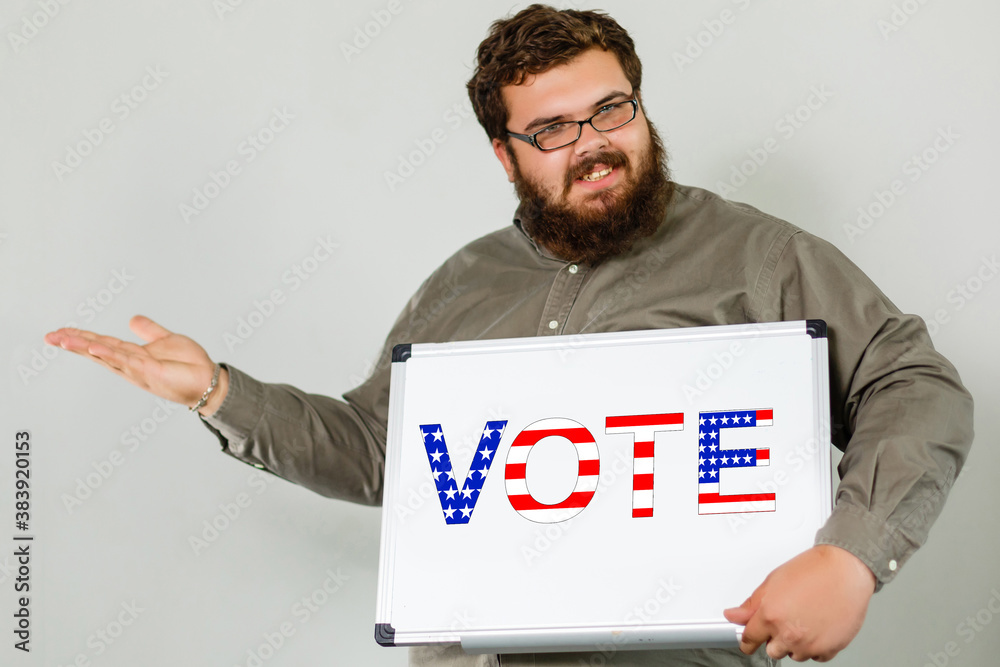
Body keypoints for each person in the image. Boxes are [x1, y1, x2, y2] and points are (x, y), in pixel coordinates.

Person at [44, 5, 973, 666]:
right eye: (555, 128)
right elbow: (382, 453)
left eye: (614, 109)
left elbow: (914, 383)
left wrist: (851, 554)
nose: (597, 143)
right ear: (506, 153)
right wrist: (216, 391)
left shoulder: (761, 256)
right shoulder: (462, 284)